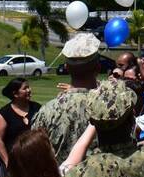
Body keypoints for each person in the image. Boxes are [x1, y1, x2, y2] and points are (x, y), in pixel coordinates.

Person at [32, 32, 102, 163]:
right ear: (98, 67)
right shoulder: (110, 107)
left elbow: (34, 156)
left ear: (67, 68)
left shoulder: (47, 111)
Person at [0, 78, 40, 167]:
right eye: (25, 88)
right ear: (15, 94)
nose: (29, 90)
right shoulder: (4, 114)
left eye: (29, 87)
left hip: (36, 160)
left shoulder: (37, 108)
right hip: (14, 162)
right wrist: (7, 162)